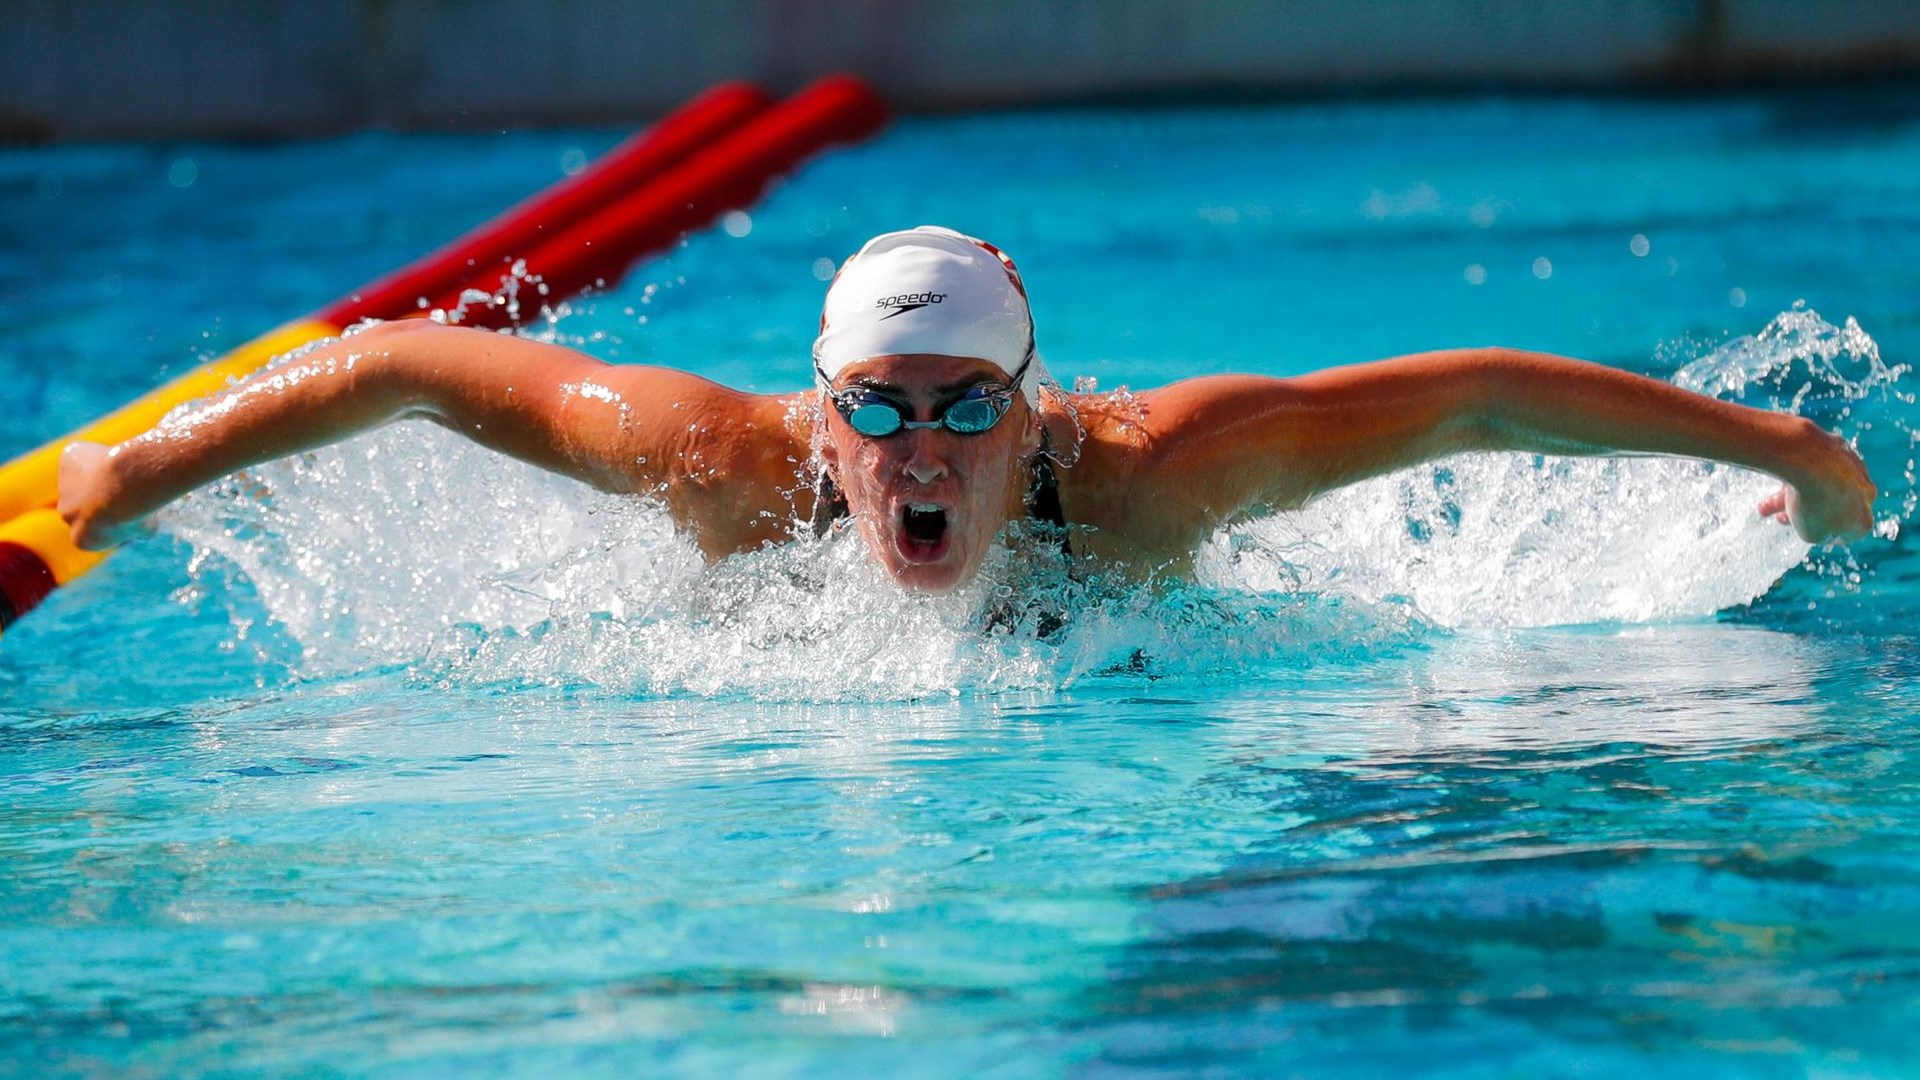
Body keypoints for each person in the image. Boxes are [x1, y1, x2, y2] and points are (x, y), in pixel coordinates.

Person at [57, 226, 1876, 596]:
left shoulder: (1155, 478)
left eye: (963, 410)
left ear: (1035, 412)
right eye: (879, 409)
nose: (922, 453)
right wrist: (137, 467)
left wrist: (1788, 450)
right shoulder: (720, 468)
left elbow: (1480, 398)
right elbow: (392, 365)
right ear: (823, 416)